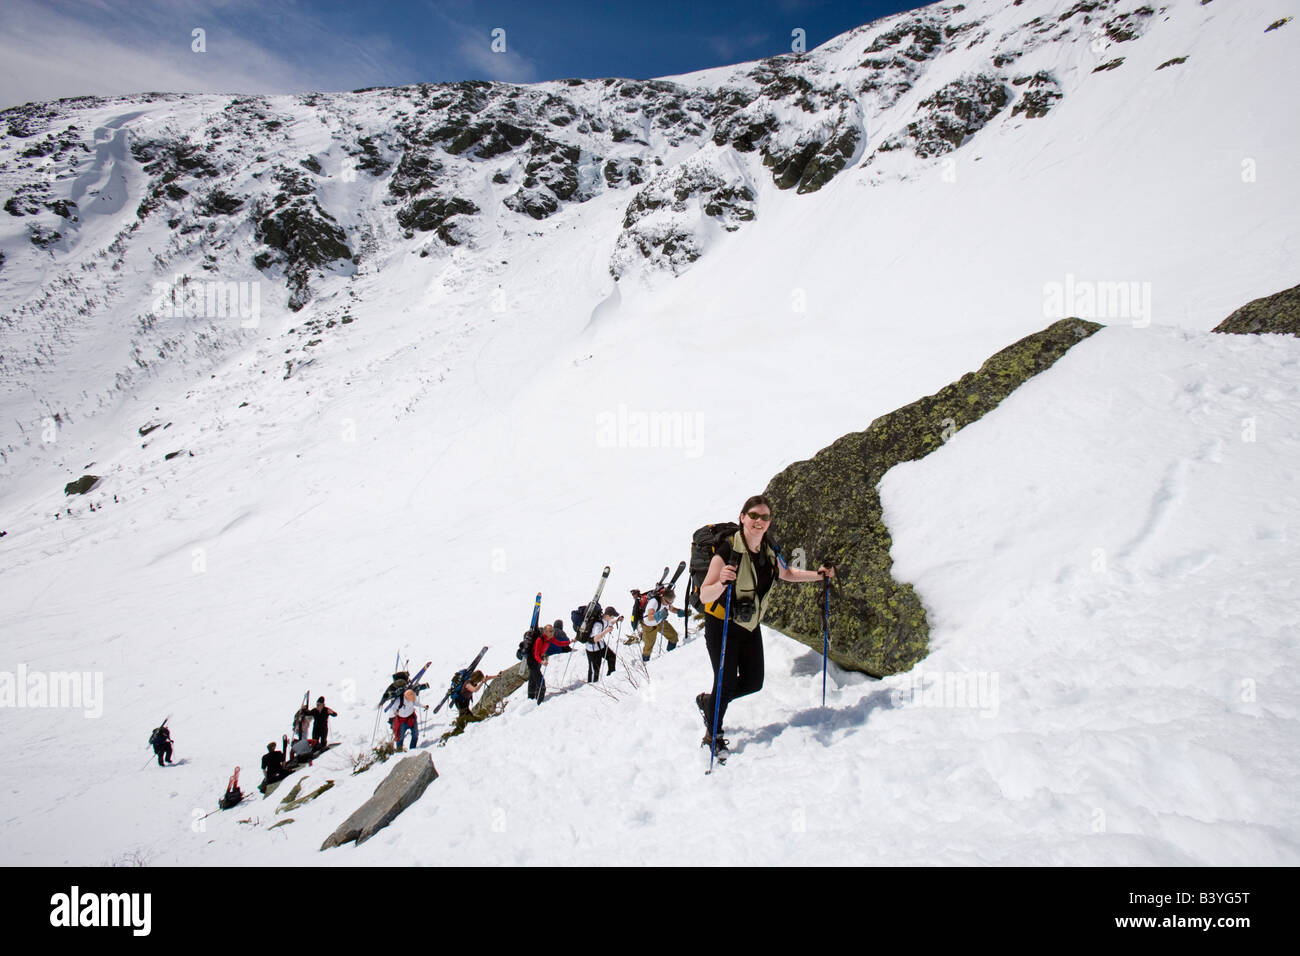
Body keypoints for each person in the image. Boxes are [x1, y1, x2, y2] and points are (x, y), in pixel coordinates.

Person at [695, 495, 834, 753]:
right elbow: (705, 595)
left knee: (753, 682)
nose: (759, 521)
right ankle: (712, 735)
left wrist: (819, 576)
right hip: (722, 624)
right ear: (743, 517)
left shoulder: (769, 548)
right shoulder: (727, 550)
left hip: (749, 625)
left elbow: (787, 573)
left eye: (765, 517)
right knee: (724, 681)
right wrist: (722, 582)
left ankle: (710, 702)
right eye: (754, 516)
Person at [527, 623, 571, 703]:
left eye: (553, 631)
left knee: (533, 680)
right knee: (541, 683)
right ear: (545, 632)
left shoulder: (550, 638)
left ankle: (531, 699)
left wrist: (570, 642)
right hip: (532, 660)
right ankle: (539, 702)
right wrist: (542, 662)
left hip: (538, 660)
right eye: (550, 631)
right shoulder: (539, 640)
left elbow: (559, 643)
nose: (552, 633)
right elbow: (536, 655)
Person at [640, 587, 685, 662]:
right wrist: (659, 615)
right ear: (663, 598)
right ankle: (645, 663)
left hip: (659, 622)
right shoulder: (653, 602)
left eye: (671, 602)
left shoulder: (666, 601)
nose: (669, 604)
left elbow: (671, 608)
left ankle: (670, 656)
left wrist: (681, 612)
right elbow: (649, 617)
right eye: (668, 602)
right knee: (649, 645)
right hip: (649, 625)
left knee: (673, 636)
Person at [587, 607, 621, 682]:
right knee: (595, 670)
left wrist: (617, 620)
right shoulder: (597, 624)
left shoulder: (605, 620)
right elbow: (595, 639)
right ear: (608, 615)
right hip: (593, 649)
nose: (613, 617)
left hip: (601, 646)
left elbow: (610, 622)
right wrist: (606, 631)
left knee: (612, 657)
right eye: (613, 616)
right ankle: (592, 685)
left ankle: (611, 677)